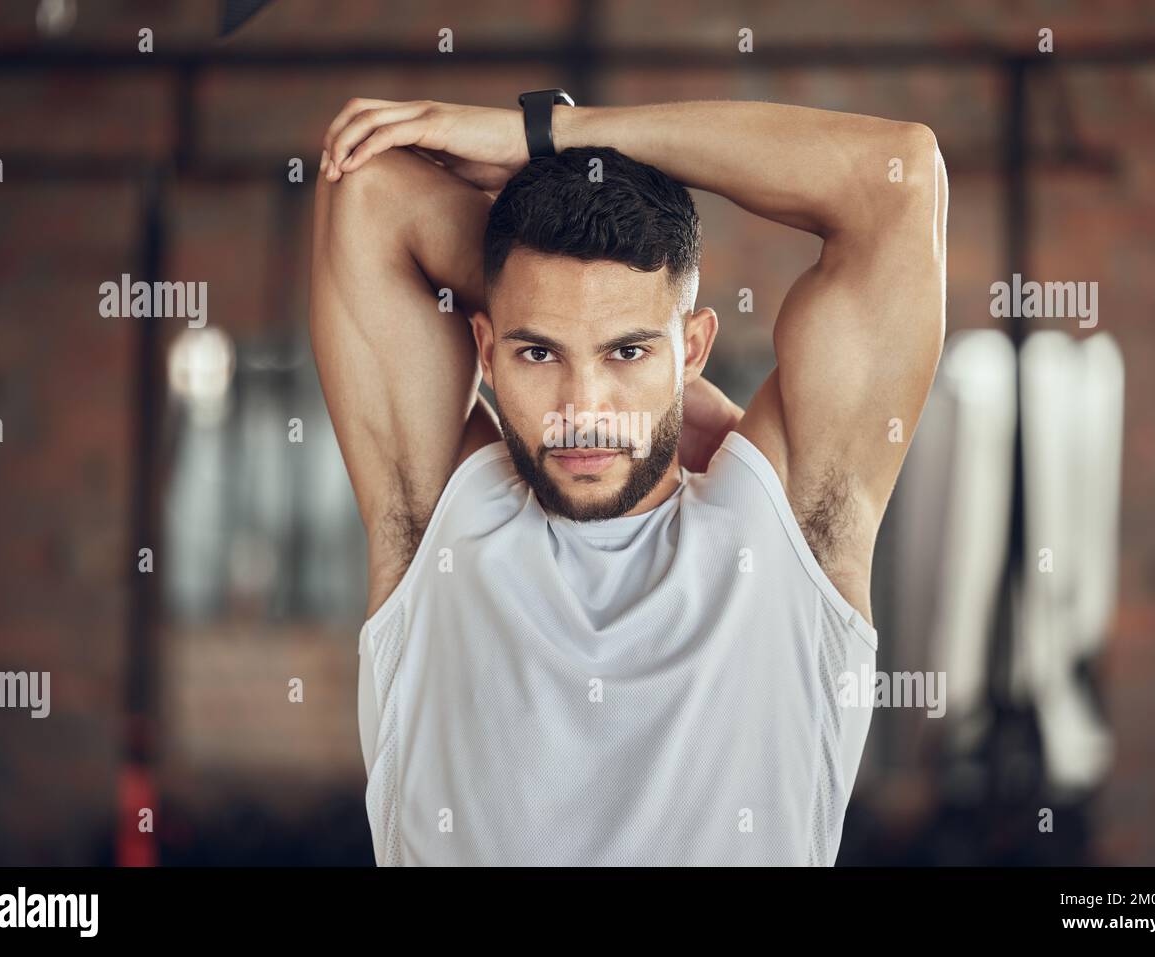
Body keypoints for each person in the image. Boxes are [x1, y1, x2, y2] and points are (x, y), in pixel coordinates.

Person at [309, 96, 948, 865]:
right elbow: (368, 182)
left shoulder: (791, 532)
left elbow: (899, 178)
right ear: (484, 347)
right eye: (537, 354)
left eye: (628, 353)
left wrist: (554, 136)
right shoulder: (434, 525)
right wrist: (575, 296)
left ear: (695, 346)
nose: (584, 410)